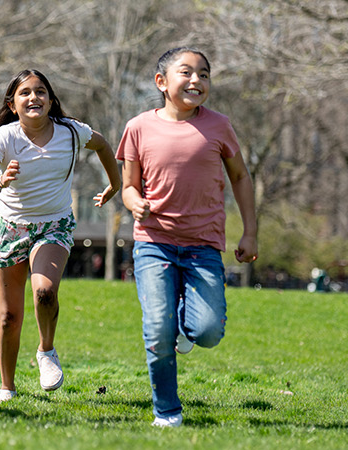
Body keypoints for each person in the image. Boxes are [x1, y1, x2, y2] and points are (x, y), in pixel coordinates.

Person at [116, 46, 259, 427]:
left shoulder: (219, 126)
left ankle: (185, 325)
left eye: (204, 74)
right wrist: (135, 203)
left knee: (208, 331)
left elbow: (241, 178)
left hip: (204, 246)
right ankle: (167, 411)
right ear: (162, 82)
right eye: (187, 72)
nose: (197, 80)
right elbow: (127, 186)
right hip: (153, 243)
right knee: (157, 330)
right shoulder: (138, 127)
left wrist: (250, 232)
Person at [0, 69, 120, 402]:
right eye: (25, 93)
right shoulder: (5, 138)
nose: (33, 97)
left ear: (51, 100)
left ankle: (46, 351)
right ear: (12, 104)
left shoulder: (70, 132)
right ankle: (7, 386)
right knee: (9, 316)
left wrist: (116, 184)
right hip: (10, 226)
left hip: (53, 224)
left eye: (40, 91)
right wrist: (0, 181)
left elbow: (104, 144)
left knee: (45, 291)